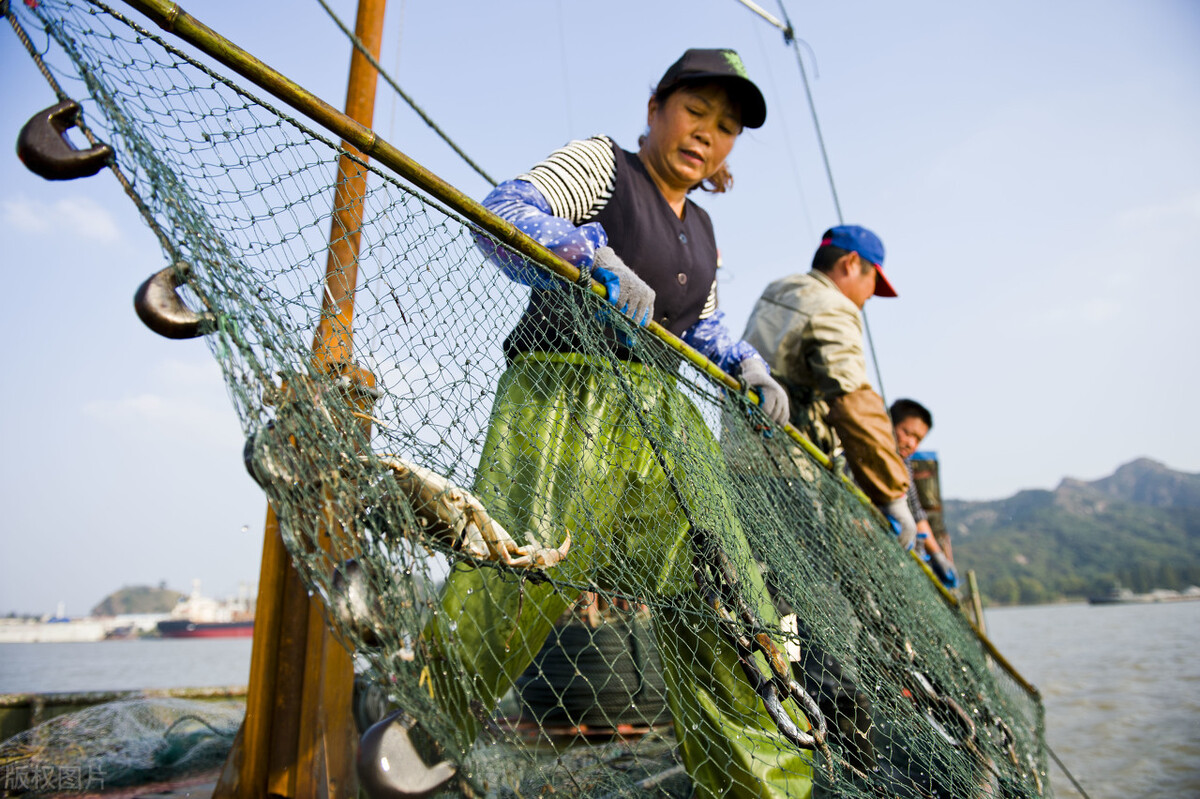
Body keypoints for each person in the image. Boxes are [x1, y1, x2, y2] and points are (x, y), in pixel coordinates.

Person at [383, 49, 815, 799]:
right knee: (517, 569)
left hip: (659, 425)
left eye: (725, 127)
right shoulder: (604, 165)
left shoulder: (705, 232)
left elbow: (701, 329)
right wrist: (590, 254)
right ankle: (429, 723)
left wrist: (748, 364)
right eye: (694, 112)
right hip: (562, 400)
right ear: (655, 109)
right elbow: (503, 211)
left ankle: (761, 782)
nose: (705, 134)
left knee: (722, 598)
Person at [741, 226, 918, 550]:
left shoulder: (780, 288)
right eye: (872, 283)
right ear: (851, 263)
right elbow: (853, 403)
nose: (867, 298)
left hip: (741, 451)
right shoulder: (833, 306)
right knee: (798, 585)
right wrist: (892, 494)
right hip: (788, 467)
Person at [889, 398, 957, 588]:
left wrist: (937, 555)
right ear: (888, 423)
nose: (911, 443)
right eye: (906, 433)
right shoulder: (870, 451)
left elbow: (917, 512)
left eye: (918, 439)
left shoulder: (906, 465)